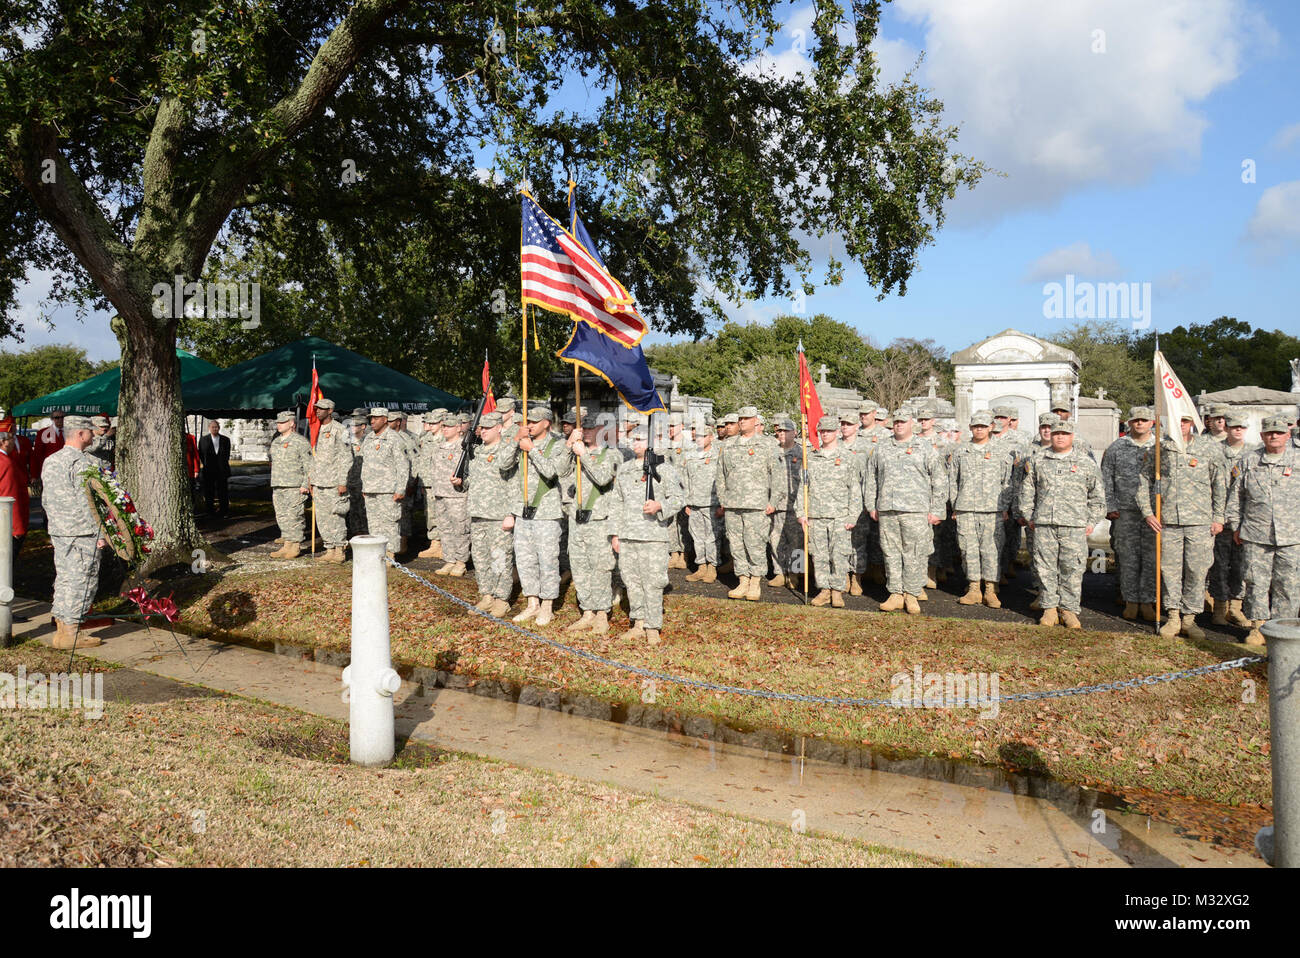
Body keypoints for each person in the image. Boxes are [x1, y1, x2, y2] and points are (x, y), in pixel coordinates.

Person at [1137, 414, 1225, 639]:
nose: (1181, 425)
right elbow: (1143, 482)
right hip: (1168, 522)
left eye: (1184, 421)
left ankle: (1189, 619)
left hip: (1200, 522)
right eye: (1177, 421)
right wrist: (1148, 513)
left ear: (1192, 423)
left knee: (1197, 570)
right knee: (1170, 571)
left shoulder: (1208, 449)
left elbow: (1220, 485)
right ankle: (1174, 616)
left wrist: (1218, 518)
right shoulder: (1160, 450)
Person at [1020, 421, 1104, 629]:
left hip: (1074, 525)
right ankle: (1048, 608)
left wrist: (1091, 521)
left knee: (1072, 568)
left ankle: (1069, 609)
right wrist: (1029, 516)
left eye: (1064, 434)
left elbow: (1097, 496)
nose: (1059, 437)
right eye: (1056, 433)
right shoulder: (1038, 459)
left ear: (1072, 436)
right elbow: (1027, 492)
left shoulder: (1085, 462)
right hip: (1044, 524)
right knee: (1044, 567)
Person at [1225, 416, 1300, 645]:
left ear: (1288, 435)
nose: (1274, 436)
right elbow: (1235, 497)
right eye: (1269, 433)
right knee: (1256, 581)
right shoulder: (1249, 461)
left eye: (1278, 432)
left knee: (1287, 584)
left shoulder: (1298, 460)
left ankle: (1283, 628)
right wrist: (1235, 526)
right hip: (1256, 533)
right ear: (1261, 436)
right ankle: (1258, 627)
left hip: (1292, 535)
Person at [864, 409, 946, 615]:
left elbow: (939, 480)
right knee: (891, 552)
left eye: (903, 421)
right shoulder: (881, 447)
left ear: (912, 423)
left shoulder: (925, 447)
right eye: (896, 422)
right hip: (888, 509)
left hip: (916, 510)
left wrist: (937, 509)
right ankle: (895, 593)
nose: (899, 425)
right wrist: (871, 505)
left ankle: (911, 593)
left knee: (915, 553)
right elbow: (870, 478)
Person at [609, 426, 685, 643]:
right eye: (633, 439)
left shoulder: (663, 469)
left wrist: (659, 505)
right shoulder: (624, 469)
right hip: (628, 535)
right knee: (631, 581)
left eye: (641, 439)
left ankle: (652, 626)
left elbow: (678, 498)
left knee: (653, 582)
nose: (636, 443)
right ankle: (638, 622)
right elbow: (617, 502)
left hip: (653, 536)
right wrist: (615, 534)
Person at [41, 416, 106, 649]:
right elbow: (88, 503)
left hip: (60, 531)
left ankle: (62, 630)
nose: (94, 435)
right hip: (83, 532)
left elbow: (46, 500)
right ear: (80, 434)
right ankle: (71, 633)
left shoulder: (51, 460)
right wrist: (100, 534)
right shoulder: (83, 463)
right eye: (90, 431)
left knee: (66, 578)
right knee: (82, 581)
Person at [506, 405, 572, 626]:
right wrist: (517, 441)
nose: (530, 425)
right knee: (525, 560)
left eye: (534, 422)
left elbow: (553, 471)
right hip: (523, 511)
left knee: (547, 560)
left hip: (546, 512)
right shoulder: (521, 442)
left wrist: (531, 449)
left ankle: (547, 606)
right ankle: (532, 602)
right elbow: (503, 464)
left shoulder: (559, 445)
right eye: (528, 422)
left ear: (546, 423)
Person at [716, 405, 785, 602]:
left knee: (754, 544)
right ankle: (742, 579)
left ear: (756, 421)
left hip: (757, 504)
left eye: (747, 418)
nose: (742, 421)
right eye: (741, 418)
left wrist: (773, 501)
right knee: (736, 544)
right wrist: (723, 499)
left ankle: (755, 580)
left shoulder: (767, 445)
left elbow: (777, 476)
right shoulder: (728, 445)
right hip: (733, 504)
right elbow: (720, 475)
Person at [452, 410, 517, 617]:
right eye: (482, 428)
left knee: (500, 558)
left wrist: (512, 513)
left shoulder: (506, 451)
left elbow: (515, 484)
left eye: (488, 427)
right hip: (477, 512)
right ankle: (487, 595)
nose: (483, 431)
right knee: (480, 558)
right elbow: (473, 482)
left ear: (499, 428)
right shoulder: (477, 452)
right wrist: (461, 484)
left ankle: (501, 599)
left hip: (498, 514)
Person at [562, 413, 620, 635]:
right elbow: (560, 471)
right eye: (582, 428)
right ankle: (587, 611)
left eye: (589, 427)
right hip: (576, 519)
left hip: (598, 520)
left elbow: (603, 478)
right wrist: (569, 446)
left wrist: (584, 455)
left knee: (600, 568)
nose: (584, 431)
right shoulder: (574, 452)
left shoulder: (611, 454)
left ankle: (602, 614)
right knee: (579, 567)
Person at [948, 410, 1012, 608]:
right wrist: (955, 505)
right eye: (976, 426)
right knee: (968, 550)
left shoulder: (1002, 452)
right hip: (966, 507)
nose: (979, 430)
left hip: (992, 509)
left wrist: (1004, 507)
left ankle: (991, 590)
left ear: (991, 428)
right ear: (970, 428)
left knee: (991, 550)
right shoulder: (961, 451)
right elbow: (953, 481)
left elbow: (1008, 482)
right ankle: (974, 588)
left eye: (983, 426)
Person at [1100, 407, 1158, 621]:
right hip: (1125, 511)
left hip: (1153, 513)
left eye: (1144, 420)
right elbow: (1106, 478)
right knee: (1127, 557)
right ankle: (1130, 600)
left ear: (1152, 422)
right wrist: (1110, 505)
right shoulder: (1117, 447)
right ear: (1130, 423)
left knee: (1151, 558)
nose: (1139, 424)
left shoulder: (1161, 447)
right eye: (1135, 420)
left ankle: (1148, 601)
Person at [800, 415, 862, 607]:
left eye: (829, 431)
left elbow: (855, 489)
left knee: (839, 555)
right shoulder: (810, 457)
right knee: (819, 555)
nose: (825, 434)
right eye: (822, 431)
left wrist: (853, 515)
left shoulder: (848, 458)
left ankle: (837, 590)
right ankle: (824, 590)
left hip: (840, 515)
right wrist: (801, 513)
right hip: (816, 515)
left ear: (836, 432)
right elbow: (803, 487)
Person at [1209, 414, 1252, 627]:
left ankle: (1236, 607)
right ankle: (1219, 608)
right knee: (1218, 565)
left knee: (1240, 566)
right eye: (1234, 426)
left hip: (1245, 521)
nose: (1237, 430)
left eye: (1241, 427)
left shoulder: (1254, 453)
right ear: (1227, 428)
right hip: (1219, 518)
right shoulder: (1214, 451)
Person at [308, 398, 354, 563]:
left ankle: (339, 550)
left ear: (330, 410)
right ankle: (329, 548)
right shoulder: (317, 430)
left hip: (334, 482)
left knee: (336, 516)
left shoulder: (340, 430)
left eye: (321, 408)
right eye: (316, 409)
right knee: (322, 517)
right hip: (320, 481)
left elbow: (346, 457)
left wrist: (342, 481)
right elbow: (315, 457)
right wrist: (311, 479)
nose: (318, 411)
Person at [360, 407, 410, 556]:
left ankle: (390, 554)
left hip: (388, 489)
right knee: (374, 523)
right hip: (370, 488)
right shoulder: (368, 437)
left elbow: (403, 465)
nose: (372, 421)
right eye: (371, 418)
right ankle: (377, 552)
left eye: (376, 418)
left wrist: (400, 489)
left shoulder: (394, 438)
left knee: (389, 523)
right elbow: (365, 463)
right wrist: (364, 485)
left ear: (385, 419)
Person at [683, 421, 724, 583]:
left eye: (703, 436)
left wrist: (723, 503)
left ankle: (712, 566)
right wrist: (686, 502)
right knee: (697, 536)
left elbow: (724, 479)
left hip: (712, 502)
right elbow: (685, 480)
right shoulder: (690, 454)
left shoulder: (719, 454)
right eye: (697, 436)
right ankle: (701, 566)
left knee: (713, 537)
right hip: (694, 503)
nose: (699, 439)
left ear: (711, 437)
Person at [429, 413, 470, 577]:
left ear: (459, 428)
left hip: (457, 496)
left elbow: (470, 472)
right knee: (445, 529)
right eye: (444, 426)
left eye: (449, 426)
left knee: (460, 529)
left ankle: (461, 562)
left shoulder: (464, 447)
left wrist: (462, 482)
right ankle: (450, 559)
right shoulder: (438, 446)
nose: (445, 429)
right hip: (440, 493)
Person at [267, 411, 312, 559]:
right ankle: (287, 544)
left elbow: (309, 465)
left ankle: (295, 546)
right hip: (278, 484)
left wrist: (306, 484)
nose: (278, 424)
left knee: (294, 517)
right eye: (278, 422)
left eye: (282, 422)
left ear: (291, 423)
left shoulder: (300, 441)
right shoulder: (276, 441)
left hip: (294, 485)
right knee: (282, 516)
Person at [768, 418, 802, 588]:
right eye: (779, 431)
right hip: (775, 505)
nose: (781, 433)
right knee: (775, 540)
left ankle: (795, 574)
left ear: (794, 433)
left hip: (795, 505)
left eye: (786, 431)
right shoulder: (772, 452)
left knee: (796, 542)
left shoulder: (802, 454)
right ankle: (779, 572)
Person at [416, 409, 448, 559]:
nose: (431, 425)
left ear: (441, 423)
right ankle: (435, 543)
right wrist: (422, 482)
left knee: (444, 514)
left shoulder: (447, 438)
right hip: (428, 482)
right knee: (430, 514)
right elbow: (422, 460)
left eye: (434, 423)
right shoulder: (427, 438)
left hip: (443, 482)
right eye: (430, 423)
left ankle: (445, 545)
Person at [0, 425, 31, 555]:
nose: (14, 441)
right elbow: (10, 494)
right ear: (3, 442)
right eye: (11, 438)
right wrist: (17, 527)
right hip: (8, 522)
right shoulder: (6, 462)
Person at [198, 419, 232, 516]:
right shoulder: (203, 440)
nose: (214, 429)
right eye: (212, 427)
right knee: (209, 491)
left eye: (216, 427)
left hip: (222, 470)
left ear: (219, 428)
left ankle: (224, 511)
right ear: (209, 428)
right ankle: (210, 511)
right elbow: (201, 453)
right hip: (209, 470)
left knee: (223, 491)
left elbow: (227, 455)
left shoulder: (226, 440)